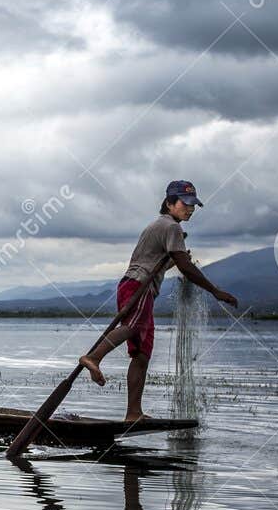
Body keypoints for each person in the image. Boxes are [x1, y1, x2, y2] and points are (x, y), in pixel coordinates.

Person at [79, 180, 238, 422]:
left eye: (193, 205)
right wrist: (215, 291)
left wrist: (177, 257)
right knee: (131, 328)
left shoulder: (166, 228)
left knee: (142, 354)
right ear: (169, 203)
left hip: (142, 288)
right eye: (185, 204)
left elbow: (163, 262)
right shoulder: (169, 226)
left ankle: (133, 413)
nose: (190, 209)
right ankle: (94, 357)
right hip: (138, 285)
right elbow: (185, 268)